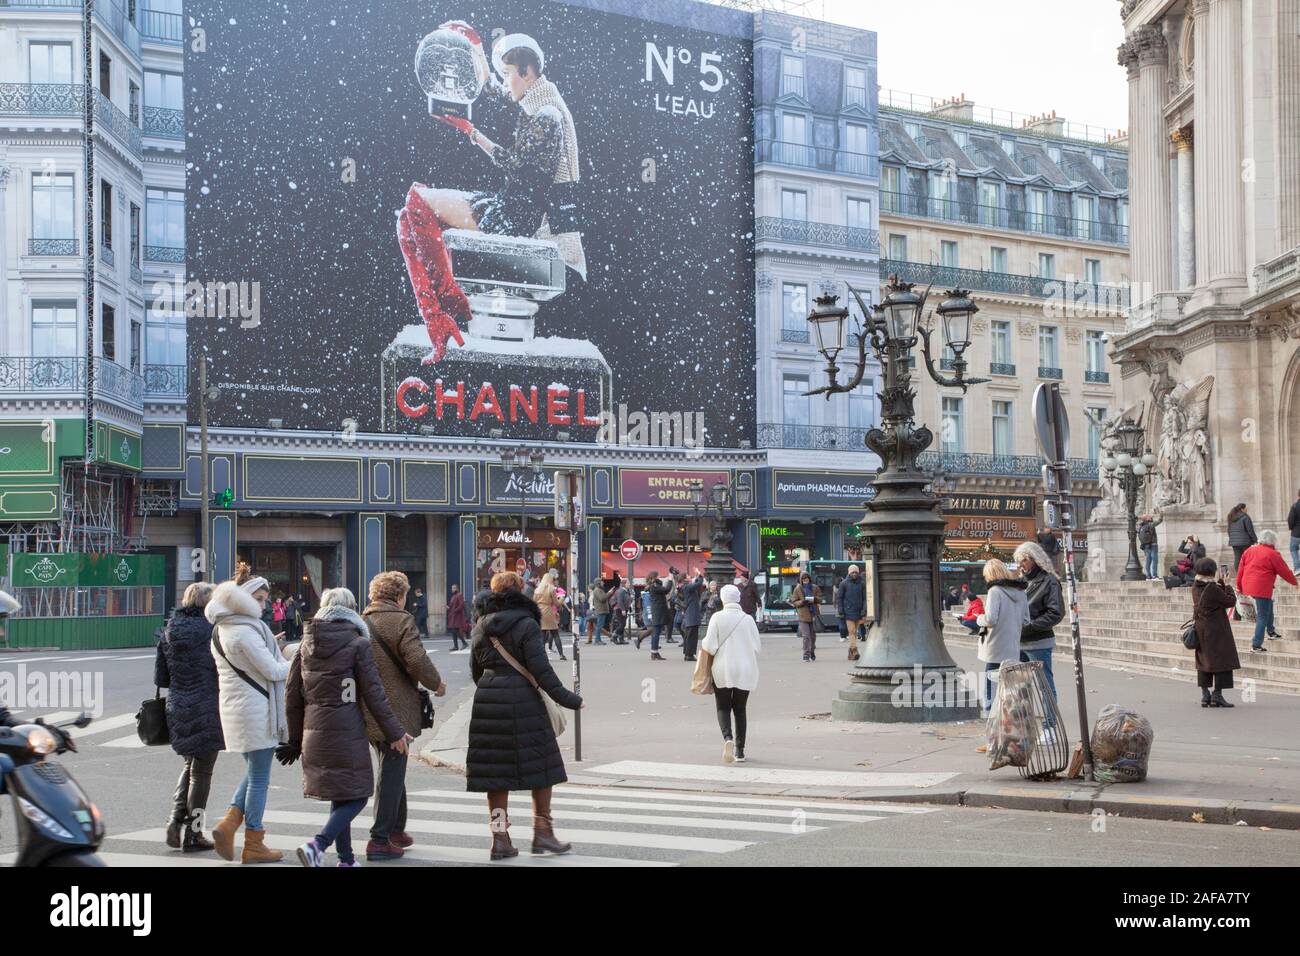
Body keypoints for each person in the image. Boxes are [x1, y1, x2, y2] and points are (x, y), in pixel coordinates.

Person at [285, 588, 411, 867]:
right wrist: (395, 733)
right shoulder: (358, 644)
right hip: (347, 729)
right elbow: (374, 694)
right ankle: (318, 843)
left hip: (313, 730)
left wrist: (294, 741)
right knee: (358, 795)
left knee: (341, 795)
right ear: (352, 610)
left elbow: (292, 696)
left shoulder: (305, 643)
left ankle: (346, 860)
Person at [468, 571, 583, 859]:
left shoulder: (481, 625)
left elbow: (474, 670)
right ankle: (542, 833)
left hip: (488, 699)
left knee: (494, 775)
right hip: (523, 700)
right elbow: (541, 670)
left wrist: (491, 688)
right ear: (521, 591)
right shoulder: (527, 624)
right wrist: (570, 699)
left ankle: (499, 839)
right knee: (542, 767)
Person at [207, 563, 293, 864]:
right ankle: (253, 842)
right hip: (256, 710)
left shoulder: (222, 628)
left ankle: (229, 825)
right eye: (258, 599)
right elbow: (272, 671)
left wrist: (277, 650)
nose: (264, 604)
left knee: (252, 772)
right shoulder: (245, 632)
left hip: (237, 708)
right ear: (243, 599)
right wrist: (299, 660)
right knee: (259, 778)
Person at [363, 571, 447, 860]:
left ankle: (396, 828)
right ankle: (380, 838)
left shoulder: (363, 620)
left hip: (368, 709)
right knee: (392, 771)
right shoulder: (401, 620)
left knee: (390, 768)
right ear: (399, 596)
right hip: (395, 710)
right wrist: (436, 683)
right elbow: (416, 659)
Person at [154, 581, 223, 853]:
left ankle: (174, 821)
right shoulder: (212, 631)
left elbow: (161, 677)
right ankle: (194, 835)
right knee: (202, 771)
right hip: (207, 705)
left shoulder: (169, 629)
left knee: (191, 766)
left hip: (178, 706)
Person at [700, 584, 761, 763]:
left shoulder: (717, 618)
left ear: (723, 599)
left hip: (723, 668)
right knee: (740, 709)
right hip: (745, 668)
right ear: (738, 598)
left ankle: (728, 739)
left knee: (723, 707)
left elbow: (709, 646)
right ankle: (740, 751)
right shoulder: (748, 619)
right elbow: (757, 647)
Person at [973, 559, 1029, 731]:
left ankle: (991, 720)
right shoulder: (1020, 592)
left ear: (990, 574)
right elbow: (1026, 620)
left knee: (991, 683)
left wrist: (977, 618)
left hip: (995, 645)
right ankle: (1010, 719)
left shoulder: (995, 591)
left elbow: (990, 619)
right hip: (1012, 645)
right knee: (1010, 685)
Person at [1013, 540, 1063, 726]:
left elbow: (1055, 612)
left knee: (1045, 686)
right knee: (1019, 687)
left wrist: (1030, 626)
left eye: (1024, 560)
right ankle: (1023, 725)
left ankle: (1050, 726)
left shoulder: (1049, 580)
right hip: (1020, 641)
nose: (1021, 565)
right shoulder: (1021, 582)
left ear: (1034, 559)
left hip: (1038, 641)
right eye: (1019, 561)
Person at [1236, 529, 1297, 654]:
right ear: (1273, 541)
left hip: (1248, 585)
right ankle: (1256, 644)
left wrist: (1239, 586)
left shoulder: (1249, 550)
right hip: (1262, 588)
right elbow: (1284, 570)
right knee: (1262, 615)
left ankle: (1271, 631)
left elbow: (1240, 570)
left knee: (1269, 605)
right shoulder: (1273, 554)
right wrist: (1295, 582)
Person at [1190, 558, 1241, 707]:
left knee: (1203, 660)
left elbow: (1214, 598)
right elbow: (1230, 601)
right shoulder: (1212, 588)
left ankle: (1205, 695)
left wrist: (1221, 585)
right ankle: (1217, 694)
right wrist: (1229, 585)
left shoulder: (1195, 586)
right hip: (1216, 629)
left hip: (1201, 628)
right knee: (1222, 660)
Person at [641, 570, 673, 660]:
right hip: (658, 612)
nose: (660, 577)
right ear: (654, 578)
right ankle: (654, 653)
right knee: (656, 633)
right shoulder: (654, 586)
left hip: (658, 612)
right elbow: (666, 590)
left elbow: (664, 591)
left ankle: (654, 652)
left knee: (656, 632)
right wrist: (670, 579)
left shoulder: (655, 585)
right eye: (658, 576)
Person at [792, 572, 822, 662]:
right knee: (806, 636)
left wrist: (814, 599)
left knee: (813, 637)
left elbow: (820, 598)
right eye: (804, 579)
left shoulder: (814, 587)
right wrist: (802, 602)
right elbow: (794, 601)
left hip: (813, 615)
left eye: (807, 579)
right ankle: (806, 655)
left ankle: (812, 652)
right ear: (801, 580)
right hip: (803, 615)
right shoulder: (798, 589)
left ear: (809, 579)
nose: (805, 580)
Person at [840, 564, 867, 662]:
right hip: (848, 611)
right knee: (852, 631)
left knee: (854, 632)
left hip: (858, 611)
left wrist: (864, 610)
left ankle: (850, 653)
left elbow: (865, 598)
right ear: (849, 573)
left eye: (856, 572)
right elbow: (840, 598)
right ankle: (855, 651)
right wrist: (841, 611)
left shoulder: (862, 583)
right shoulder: (844, 583)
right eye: (852, 572)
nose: (854, 574)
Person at [534, 571, 564, 658]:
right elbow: (557, 604)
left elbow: (534, 602)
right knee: (555, 634)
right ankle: (561, 654)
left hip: (540, 612)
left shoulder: (537, 589)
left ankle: (542, 655)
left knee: (542, 635)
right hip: (549, 611)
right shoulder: (551, 589)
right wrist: (561, 598)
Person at [679, 569, 705, 661]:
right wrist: (699, 575)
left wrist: (697, 577)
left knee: (689, 634)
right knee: (692, 635)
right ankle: (689, 654)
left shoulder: (686, 586)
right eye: (688, 576)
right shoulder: (687, 586)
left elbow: (696, 583)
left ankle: (688, 654)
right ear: (685, 579)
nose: (690, 576)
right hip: (692, 613)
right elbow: (699, 583)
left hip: (691, 613)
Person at [1226, 503, 1258, 571]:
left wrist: (1232, 539)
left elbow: (1229, 530)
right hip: (1245, 542)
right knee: (1247, 558)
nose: (1247, 510)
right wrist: (1256, 540)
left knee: (1237, 558)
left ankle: (1238, 574)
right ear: (1242, 509)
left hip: (1234, 542)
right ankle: (1247, 573)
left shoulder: (1231, 517)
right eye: (1246, 508)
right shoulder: (1245, 517)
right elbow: (1250, 530)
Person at [1137, 514, 1162, 581]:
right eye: (1149, 516)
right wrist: (1161, 514)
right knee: (1154, 560)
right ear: (1147, 519)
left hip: (1145, 546)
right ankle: (1154, 576)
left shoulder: (1140, 527)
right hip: (1153, 544)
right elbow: (1160, 521)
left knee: (1148, 561)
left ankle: (1148, 576)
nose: (1151, 516)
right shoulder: (1150, 525)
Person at [446, 584, 470, 651]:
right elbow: (451, 606)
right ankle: (456, 646)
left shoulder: (459, 595)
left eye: (453, 588)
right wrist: (448, 607)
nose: (452, 589)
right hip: (453, 616)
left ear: (456, 588)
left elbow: (461, 605)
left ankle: (464, 643)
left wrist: (454, 610)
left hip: (457, 616)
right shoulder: (453, 596)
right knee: (453, 631)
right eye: (452, 588)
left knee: (455, 630)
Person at [587, 578, 609, 645]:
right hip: (600, 610)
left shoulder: (598, 590)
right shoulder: (597, 590)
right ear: (598, 583)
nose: (603, 583)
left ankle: (597, 639)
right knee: (599, 626)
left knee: (598, 626)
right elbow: (602, 599)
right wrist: (609, 593)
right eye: (602, 582)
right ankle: (597, 639)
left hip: (600, 610)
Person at [1288, 489, 1300, 572]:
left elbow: (1290, 519)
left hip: (1296, 533)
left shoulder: (1295, 506)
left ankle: (1298, 569)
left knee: (1293, 549)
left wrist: (1291, 528)